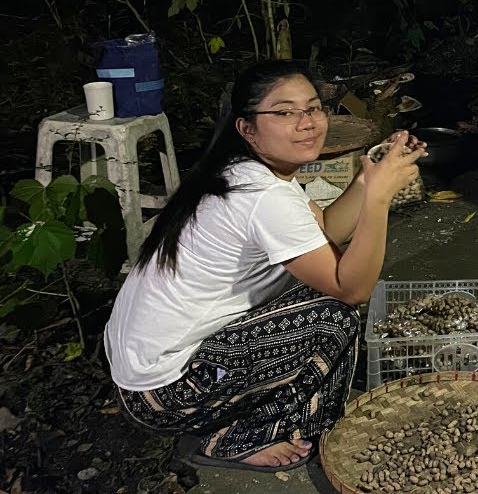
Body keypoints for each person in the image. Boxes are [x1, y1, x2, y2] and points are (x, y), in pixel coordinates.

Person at [104, 61, 424, 472]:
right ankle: (238, 437)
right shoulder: (260, 195)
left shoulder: (248, 171)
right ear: (247, 128)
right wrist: (379, 198)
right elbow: (353, 289)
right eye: (285, 112)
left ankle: (256, 409)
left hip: (152, 373)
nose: (307, 122)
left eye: (313, 108)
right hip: (166, 395)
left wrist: (367, 178)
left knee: (315, 289)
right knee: (335, 317)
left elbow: (324, 230)